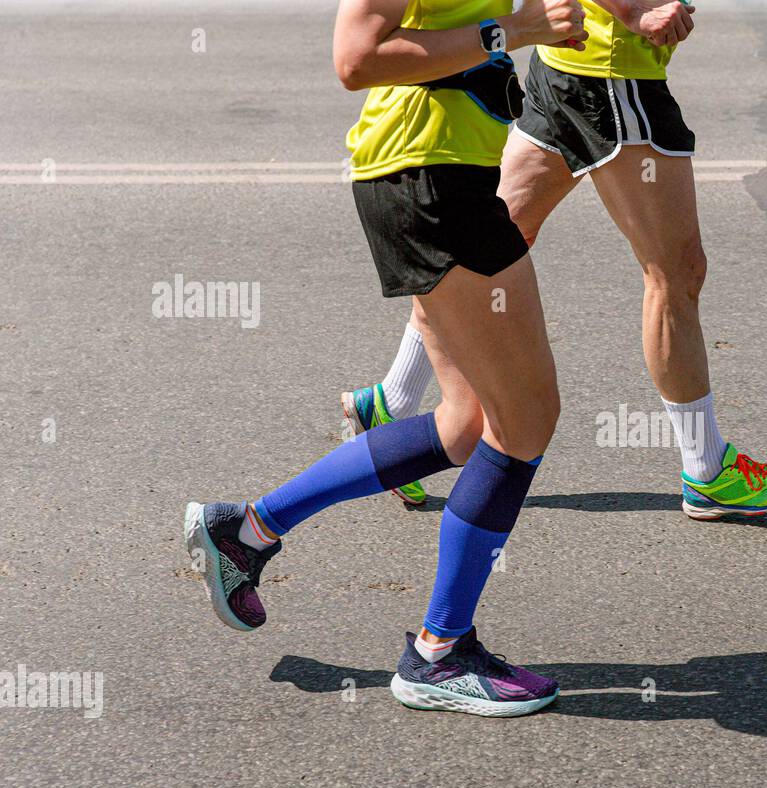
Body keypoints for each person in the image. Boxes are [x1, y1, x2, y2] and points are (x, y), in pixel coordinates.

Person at [184, 0, 591, 717]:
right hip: (428, 182)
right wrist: (514, 32)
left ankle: (244, 531)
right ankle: (440, 654)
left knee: (466, 423)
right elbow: (358, 58)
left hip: (443, 175)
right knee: (526, 420)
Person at [341, 0, 767, 520]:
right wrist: (631, 10)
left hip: (570, 64)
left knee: (478, 250)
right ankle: (706, 469)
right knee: (676, 272)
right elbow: (356, 60)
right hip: (611, 74)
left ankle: (394, 400)